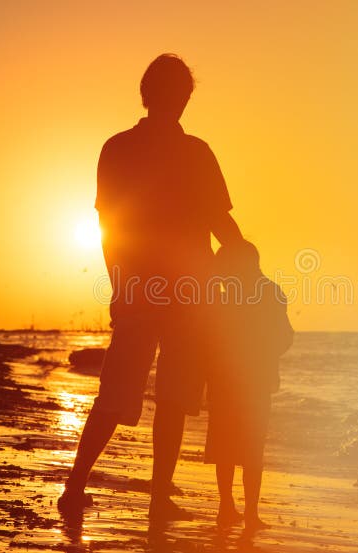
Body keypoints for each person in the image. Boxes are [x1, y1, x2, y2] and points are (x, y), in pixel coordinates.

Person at [58, 53, 243, 522]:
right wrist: (242, 256)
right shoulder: (184, 151)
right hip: (170, 293)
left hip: (159, 292)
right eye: (174, 93)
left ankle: (95, 489)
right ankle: (117, 491)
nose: (176, 102)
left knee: (151, 395)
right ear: (170, 98)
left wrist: (121, 287)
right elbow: (218, 222)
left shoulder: (123, 147)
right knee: (146, 396)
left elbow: (110, 229)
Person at [205, 241, 294, 529]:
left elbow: (209, 339)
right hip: (253, 380)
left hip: (227, 379)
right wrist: (265, 356)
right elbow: (285, 337)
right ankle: (248, 513)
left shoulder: (222, 295)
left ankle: (227, 507)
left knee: (226, 446)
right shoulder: (269, 292)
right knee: (252, 447)